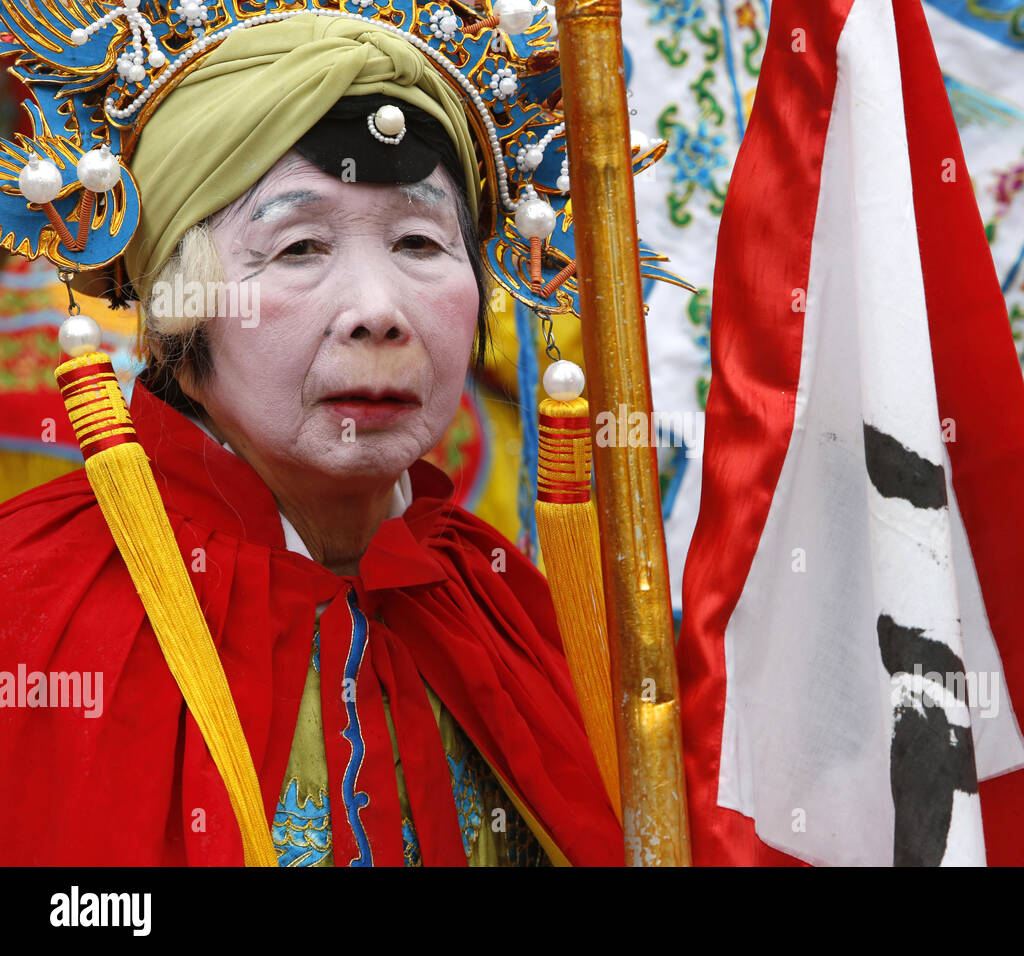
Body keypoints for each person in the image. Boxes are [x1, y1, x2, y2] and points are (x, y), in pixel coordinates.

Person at [0, 5, 628, 866]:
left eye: (419, 240)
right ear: (179, 309)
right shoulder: (30, 620)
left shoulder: (514, 615)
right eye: (297, 248)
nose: (378, 312)